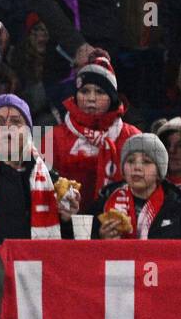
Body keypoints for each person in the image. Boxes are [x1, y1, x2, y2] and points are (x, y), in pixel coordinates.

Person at [0, 93, 81, 240]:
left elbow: (65, 247)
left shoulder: (51, 180)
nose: (7, 129)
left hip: (36, 261)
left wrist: (67, 219)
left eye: (16, 122)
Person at [50, 56, 140, 207]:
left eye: (100, 92)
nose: (91, 98)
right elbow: (41, 188)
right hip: (65, 225)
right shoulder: (52, 137)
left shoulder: (133, 137)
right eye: (84, 91)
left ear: (112, 98)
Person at [92, 133, 181, 239]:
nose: (137, 167)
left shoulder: (177, 207)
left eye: (146, 161)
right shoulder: (104, 201)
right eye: (130, 161)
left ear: (159, 173)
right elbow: (82, 245)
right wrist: (100, 238)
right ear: (123, 171)